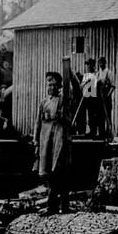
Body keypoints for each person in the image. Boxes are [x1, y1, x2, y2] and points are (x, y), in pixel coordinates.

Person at [36, 70, 75, 214]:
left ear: (58, 86)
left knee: (61, 172)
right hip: (46, 141)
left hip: (60, 139)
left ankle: (64, 206)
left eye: (53, 84)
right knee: (49, 174)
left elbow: (75, 91)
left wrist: (69, 76)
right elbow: (37, 123)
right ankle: (51, 207)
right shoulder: (44, 102)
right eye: (48, 84)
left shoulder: (63, 99)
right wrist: (36, 141)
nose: (50, 87)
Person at [96, 56, 115, 140]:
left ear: (105, 63)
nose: (101, 64)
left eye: (102, 63)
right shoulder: (98, 73)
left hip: (106, 98)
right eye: (99, 63)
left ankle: (109, 134)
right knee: (100, 117)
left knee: (107, 117)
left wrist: (108, 95)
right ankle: (101, 134)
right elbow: (95, 85)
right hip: (99, 98)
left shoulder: (109, 72)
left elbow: (113, 86)